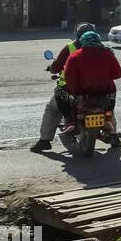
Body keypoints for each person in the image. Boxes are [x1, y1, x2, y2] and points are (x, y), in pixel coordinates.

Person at [32, 22, 94, 152]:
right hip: (95, 88)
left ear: (77, 35)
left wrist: (52, 68)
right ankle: (114, 136)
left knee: (53, 108)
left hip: (71, 89)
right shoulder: (101, 48)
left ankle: (45, 140)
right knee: (105, 106)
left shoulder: (71, 48)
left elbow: (56, 67)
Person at [61, 30, 121, 149]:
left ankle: (70, 122)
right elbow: (118, 74)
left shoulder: (75, 55)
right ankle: (108, 121)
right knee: (109, 107)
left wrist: (75, 90)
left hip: (83, 94)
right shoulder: (107, 53)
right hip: (106, 92)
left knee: (60, 94)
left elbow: (68, 76)